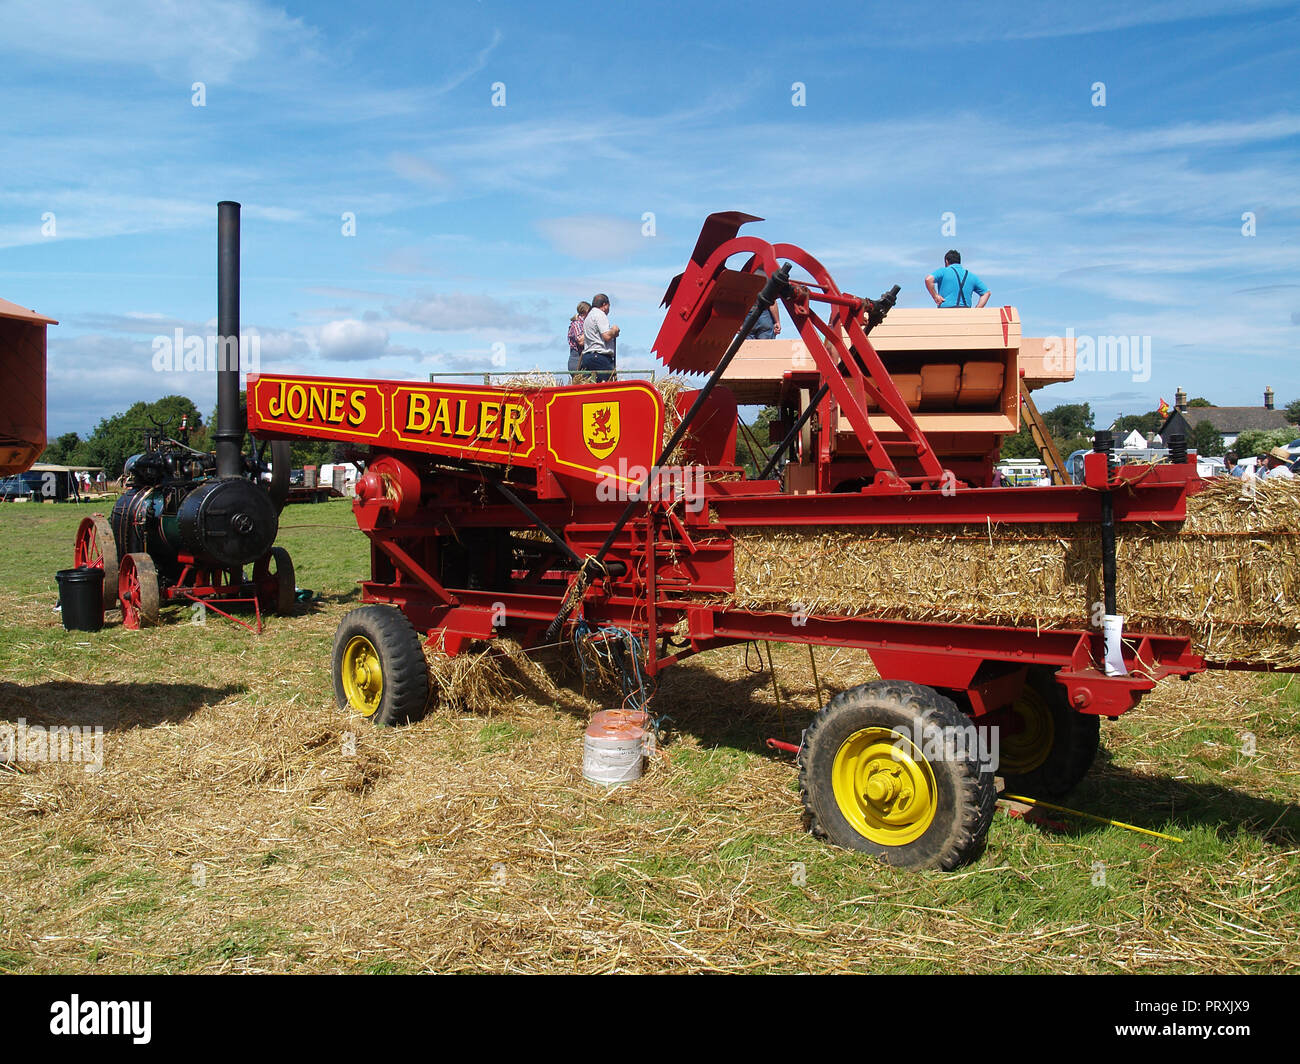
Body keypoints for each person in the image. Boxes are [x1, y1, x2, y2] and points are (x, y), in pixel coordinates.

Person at [925, 250, 990, 309]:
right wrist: (978, 309)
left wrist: (935, 296)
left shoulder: (943, 271)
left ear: (946, 261)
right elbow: (986, 293)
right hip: (965, 313)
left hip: (945, 312)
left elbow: (928, 279)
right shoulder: (971, 276)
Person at [581, 293, 619, 381]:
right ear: (604, 305)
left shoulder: (589, 317)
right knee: (605, 387)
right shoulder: (600, 315)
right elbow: (606, 336)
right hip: (599, 357)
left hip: (588, 357)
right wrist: (614, 330)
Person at [567, 301, 591, 375]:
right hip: (577, 358)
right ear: (586, 311)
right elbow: (580, 341)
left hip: (583, 357)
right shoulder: (577, 324)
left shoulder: (583, 323)